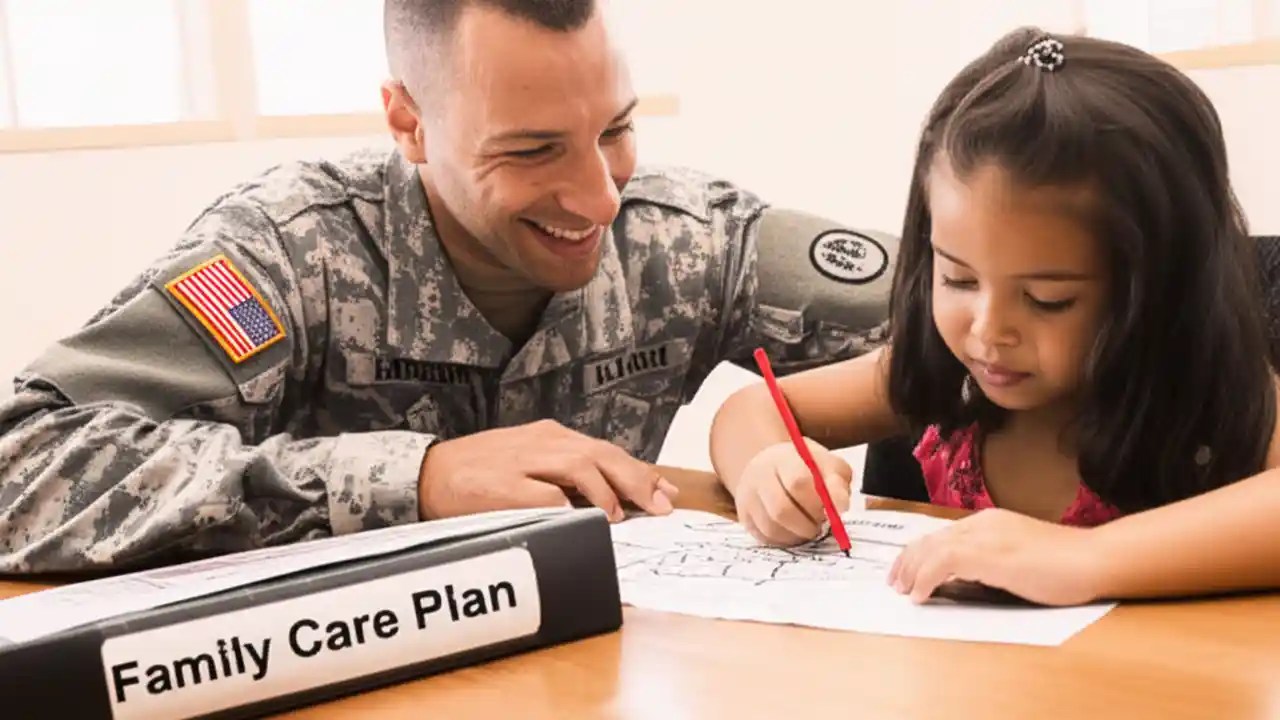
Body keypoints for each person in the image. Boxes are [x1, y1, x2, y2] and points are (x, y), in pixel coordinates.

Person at [0, 0, 895, 573]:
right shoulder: (292, 254)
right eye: (533, 149)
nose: (600, 197)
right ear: (410, 121)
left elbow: (980, 307)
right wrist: (414, 480)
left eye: (616, 129)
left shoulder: (692, 239)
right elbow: (23, 465)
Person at [709, 27, 1280, 606]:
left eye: (1047, 299)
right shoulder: (945, 376)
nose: (988, 330)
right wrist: (767, 466)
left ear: (1159, 287)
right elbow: (752, 407)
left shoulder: (1207, 396)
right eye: (957, 279)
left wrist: (1085, 560)